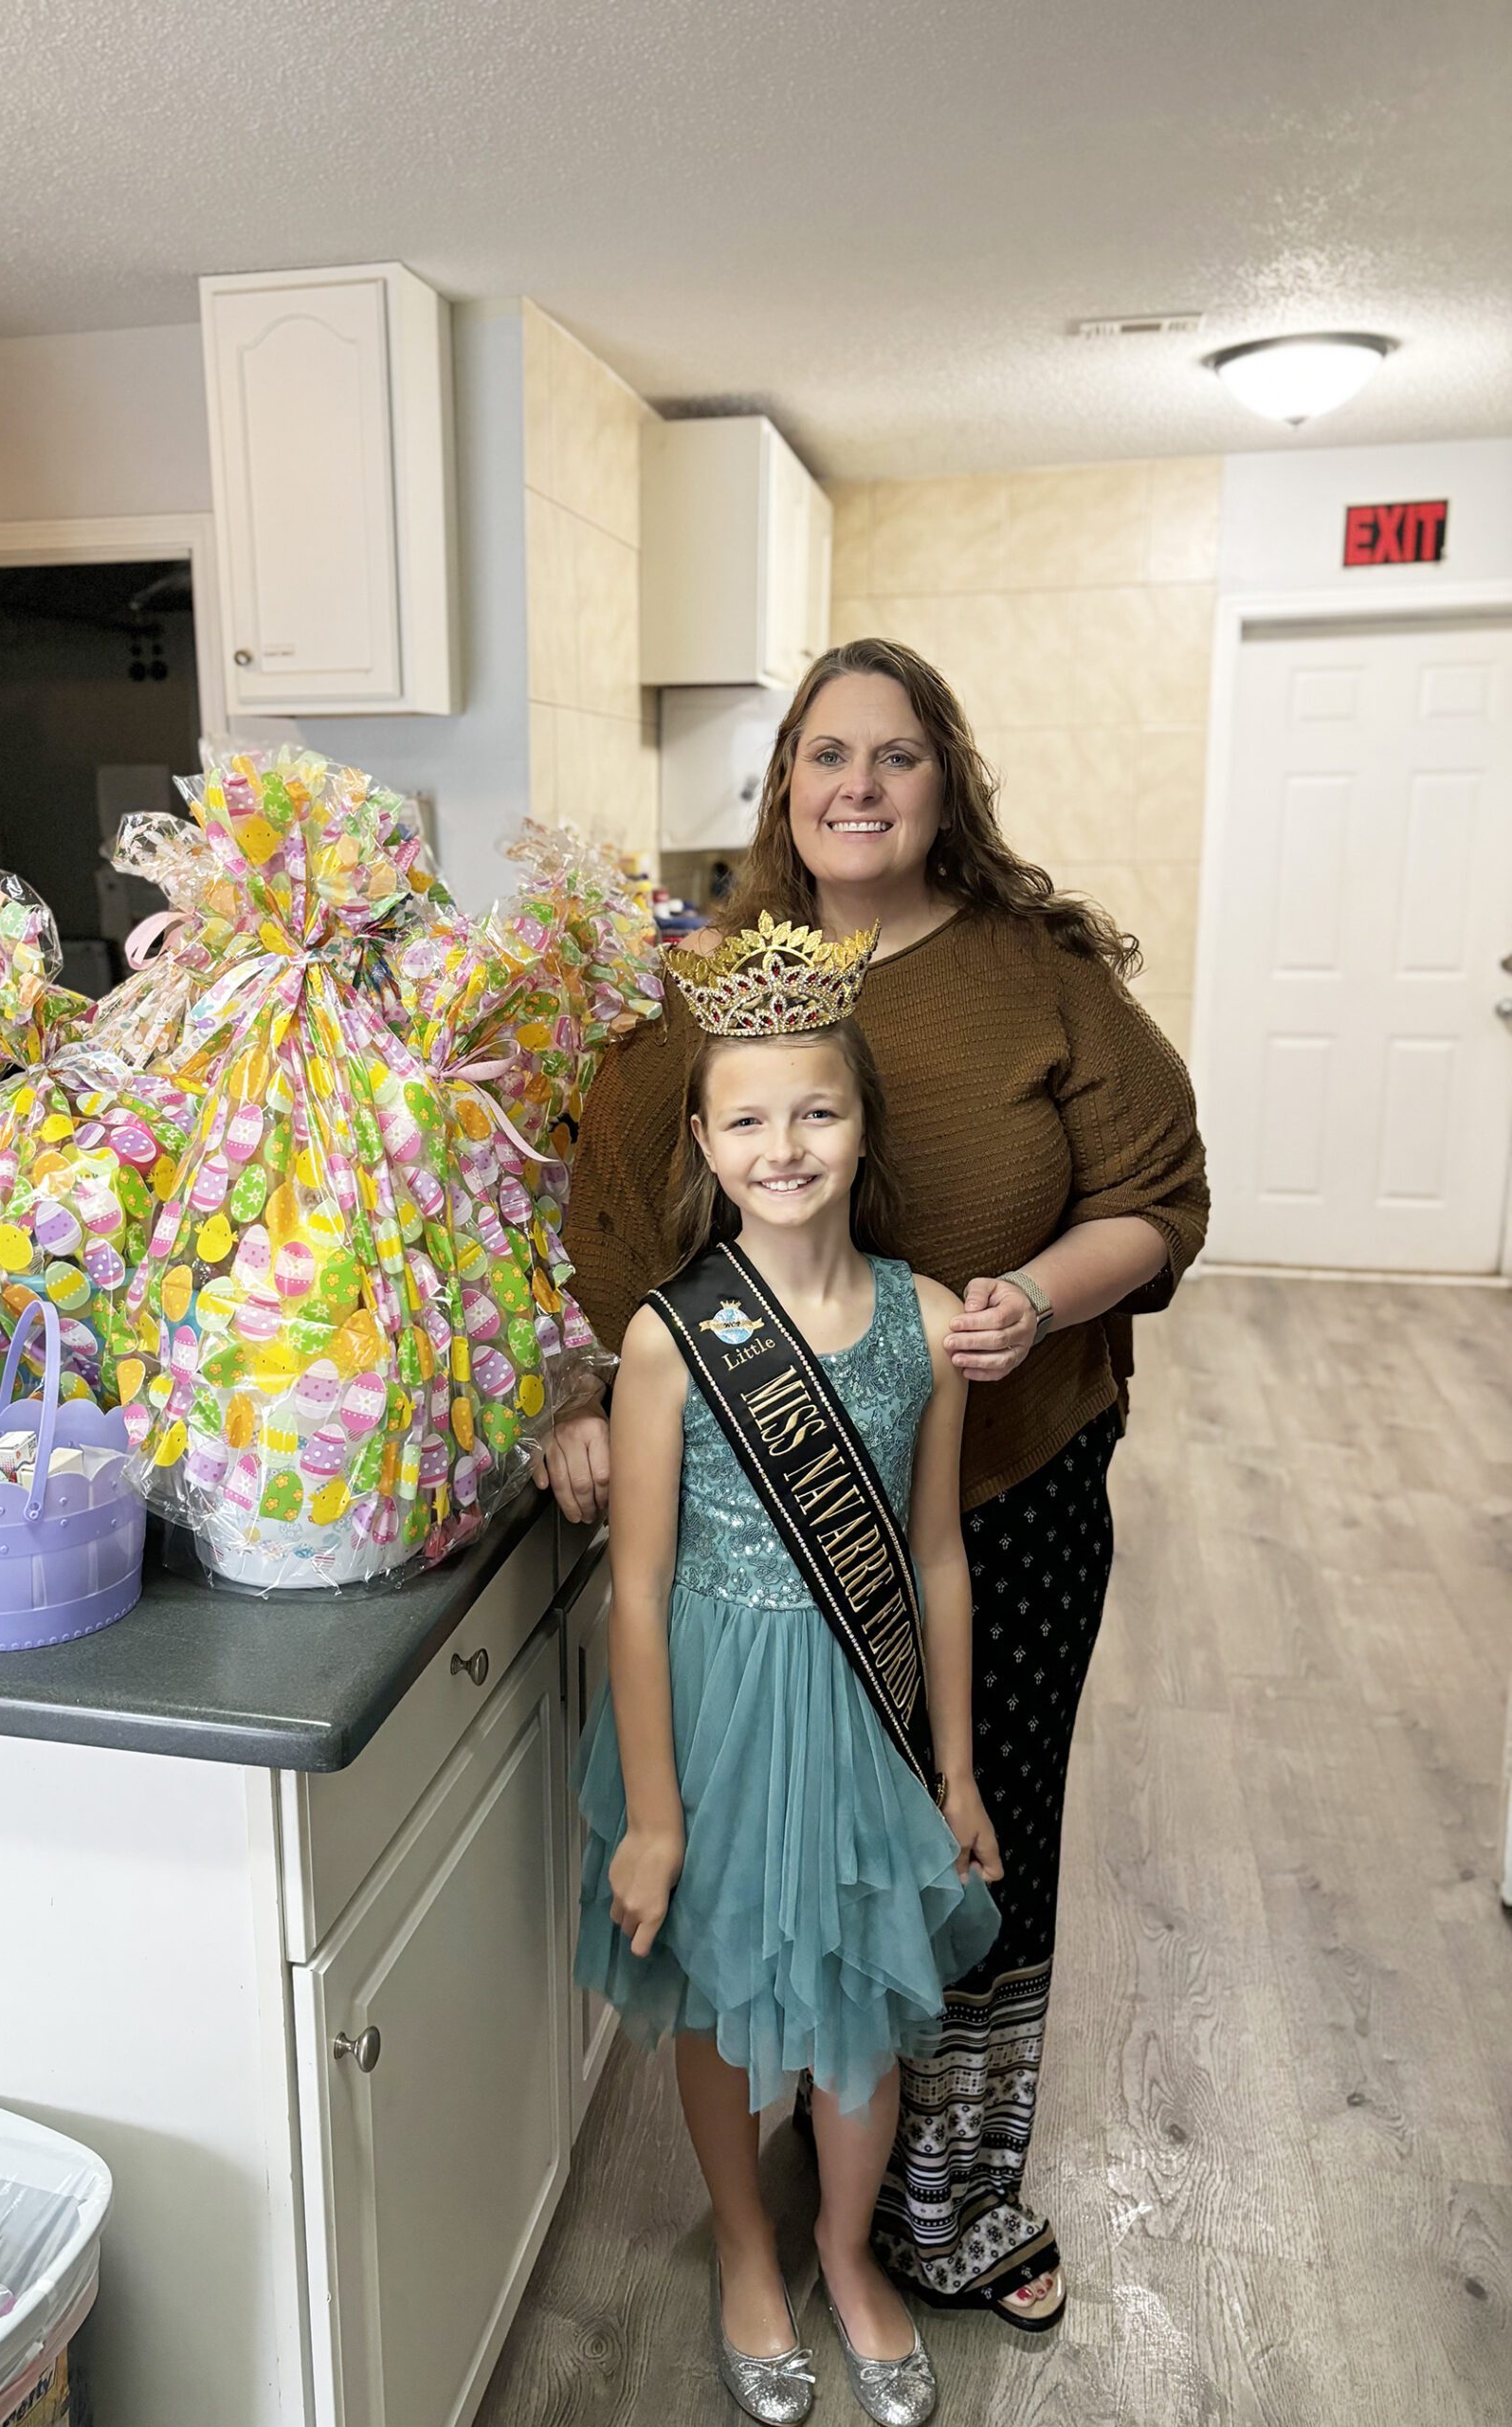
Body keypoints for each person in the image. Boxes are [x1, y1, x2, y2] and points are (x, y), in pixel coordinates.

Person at [543, 637, 1210, 2330]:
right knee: (775, 1868)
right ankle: (792, 2192)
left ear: (946, 782)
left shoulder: (1039, 972)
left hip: (1010, 1495)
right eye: (825, 754)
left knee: (977, 1846)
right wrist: (580, 1395)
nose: (857, 785)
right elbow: (610, 1214)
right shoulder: (712, 991)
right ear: (783, 786)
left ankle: (950, 2200)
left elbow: (1162, 1190)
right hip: (757, 1556)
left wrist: (1035, 1298)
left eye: (897, 755)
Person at [573, 915, 1002, 2426]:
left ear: (865, 1120)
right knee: (714, 1993)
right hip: (717, 1714)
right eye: (748, 1118)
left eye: (817, 1109)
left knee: (860, 2002)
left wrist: (952, 1771)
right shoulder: (669, 1344)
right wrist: (652, 1812)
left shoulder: (932, 1322)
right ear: (704, 1135)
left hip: (869, 1713)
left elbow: (936, 1556)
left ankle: (845, 2247)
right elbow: (633, 1592)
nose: (785, 1144)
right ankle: (749, 2254)